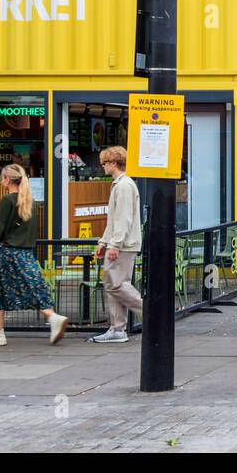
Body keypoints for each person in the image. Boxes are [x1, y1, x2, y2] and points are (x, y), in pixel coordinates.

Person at [0, 164, 69, 346]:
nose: (0, 180)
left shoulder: (7, 200)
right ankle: (51, 317)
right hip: (26, 253)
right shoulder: (30, 201)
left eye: (1, 177)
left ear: (7, 180)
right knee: (34, 286)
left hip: (8, 253)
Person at [88, 146, 144, 343]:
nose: (102, 166)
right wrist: (105, 242)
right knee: (115, 284)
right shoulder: (122, 184)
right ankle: (117, 328)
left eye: (104, 163)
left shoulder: (123, 185)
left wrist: (114, 245)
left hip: (123, 245)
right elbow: (115, 220)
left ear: (113, 163)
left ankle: (149, 314)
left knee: (115, 284)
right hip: (122, 243)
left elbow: (123, 219)